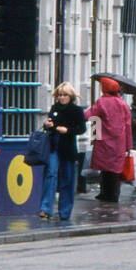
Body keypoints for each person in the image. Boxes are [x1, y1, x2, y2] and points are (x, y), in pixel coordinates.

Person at [37, 83, 86, 221]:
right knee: (50, 175)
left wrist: (68, 130)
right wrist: (48, 125)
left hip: (68, 147)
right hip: (53, 145)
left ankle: (65, 212)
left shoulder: (76, 110)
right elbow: (50, 125)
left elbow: (82, 129)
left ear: (70, 96)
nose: (62, 98)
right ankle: (45, 209)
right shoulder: (55, 108)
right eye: (59, 95)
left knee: (67, 180)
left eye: (65, 95)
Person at [84, 77, 133, 203]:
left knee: (104, 168)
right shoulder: (123, 104)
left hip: (103, 141)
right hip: (119, 142)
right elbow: (128, 126)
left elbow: (89, 116)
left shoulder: (101, 102)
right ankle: (114, 194)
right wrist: (129, 146)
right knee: (115, 170)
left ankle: (104, 193)